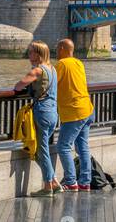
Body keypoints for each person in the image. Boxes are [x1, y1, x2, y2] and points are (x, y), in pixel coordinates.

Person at [14, 40, 61, 194]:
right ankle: (53, 181)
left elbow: (18, 85)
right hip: (53, 113)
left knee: (42, 150)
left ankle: (48, 186)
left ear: (39, 54)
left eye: (31, 51)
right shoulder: (52, 69)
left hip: (41, 112)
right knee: (42, 148)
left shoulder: (38, 71)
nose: (29, 54)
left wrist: (23, 86)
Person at [54, 38, 94, 191]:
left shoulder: (62, 64)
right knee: (83, 147)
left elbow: (50, 83)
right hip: (87, 109)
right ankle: (85, 182)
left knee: (63, 146)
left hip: (74, 112)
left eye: (58, 49)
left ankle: (71, 182)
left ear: (63, 48)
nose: (56, 52)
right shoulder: (79, 63)